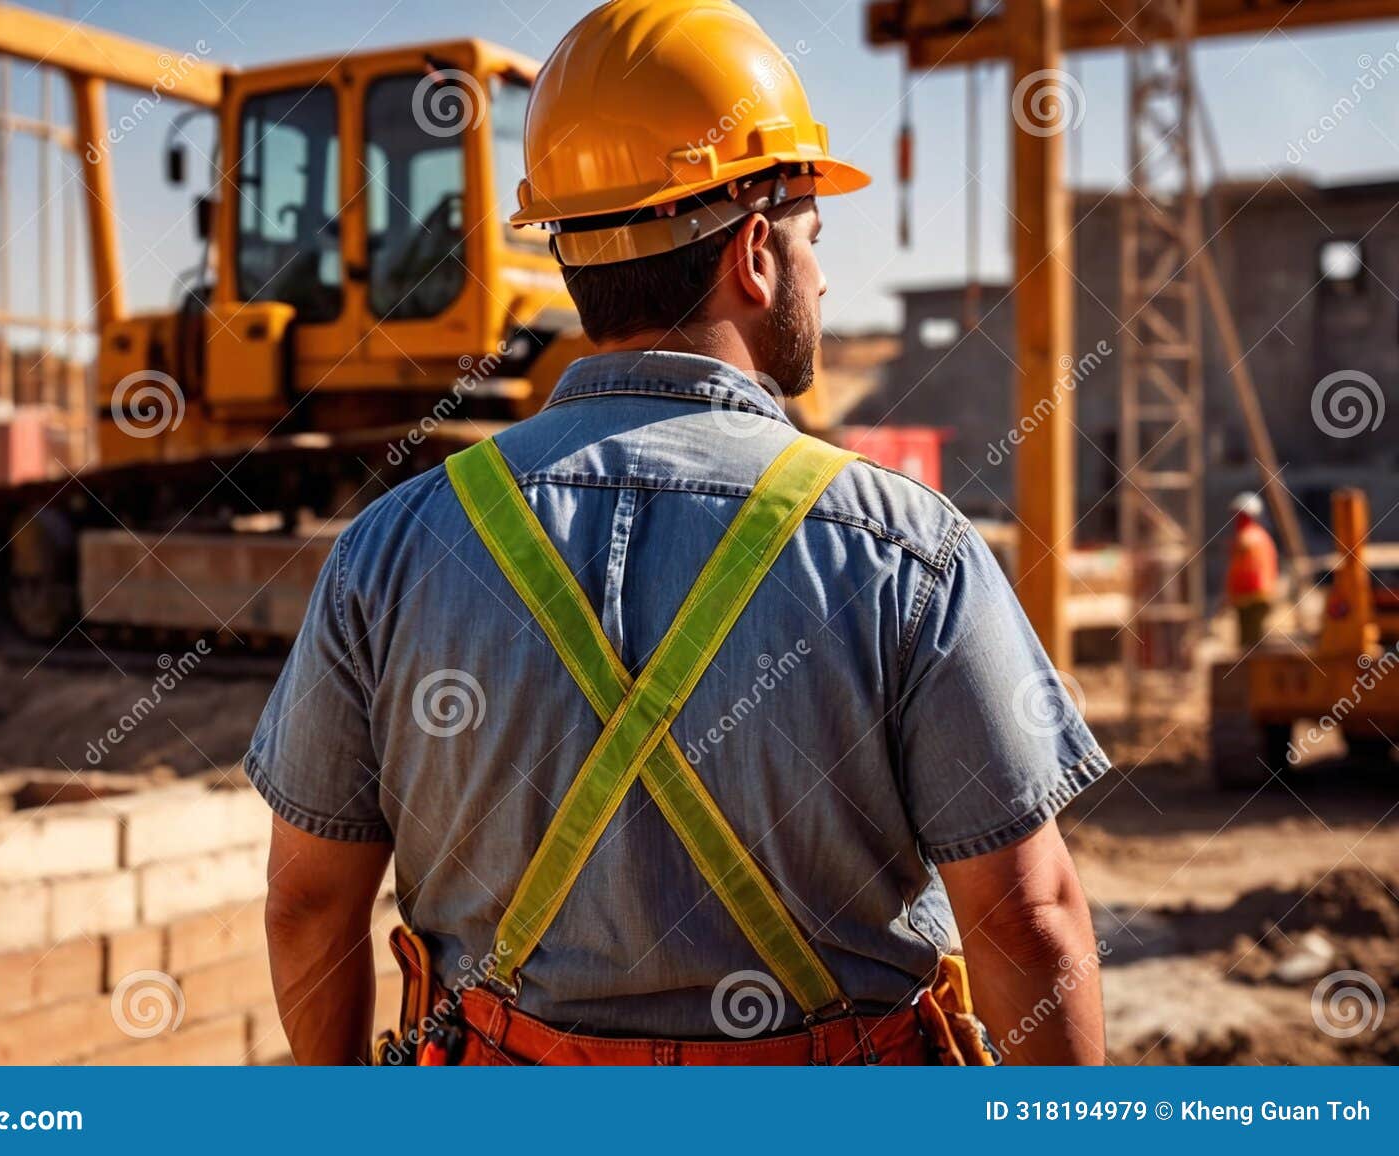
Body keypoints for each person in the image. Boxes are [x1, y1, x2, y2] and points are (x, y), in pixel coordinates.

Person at [249, 0, 1106, 1066]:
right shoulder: (903, 549)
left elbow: (306, 907)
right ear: (754, 254)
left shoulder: (390, 547)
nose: (825, 279)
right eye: (812, 236)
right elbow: (1027, 917)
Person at [1225, 492, 1279, 647]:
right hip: (1258, 597)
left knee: (1250, 645)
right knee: (1254, 643)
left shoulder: (1247, 539)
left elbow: (1239, 571)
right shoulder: (1262, 537)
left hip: (1251, 599)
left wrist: (1229, 593)